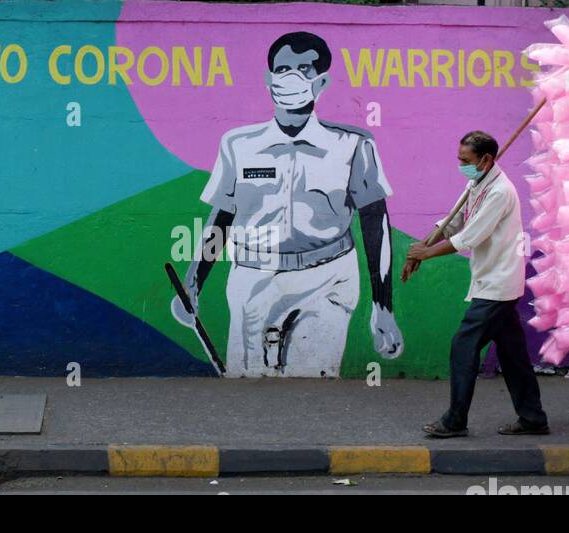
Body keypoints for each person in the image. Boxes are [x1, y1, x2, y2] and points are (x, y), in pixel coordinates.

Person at [171, 31, 402, 377]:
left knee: (312, 384)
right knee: (247, 383)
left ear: (321, 82)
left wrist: (383, 306)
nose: (292, 77)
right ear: (268, 78)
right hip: (253, 278)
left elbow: (376, 225)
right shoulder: (238, 145)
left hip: (327, 280)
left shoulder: (353, 146)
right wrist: (193, 283)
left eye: (305, 69)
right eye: (283, 69)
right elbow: (222, 217)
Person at [406, 131, 548, 437]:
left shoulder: (500, 192)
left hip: (497, 285)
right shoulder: (477, 183)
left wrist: (427, 254)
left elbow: (469, 237)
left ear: (485, 160)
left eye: (465, 160)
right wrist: (420, 248)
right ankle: (533, 417)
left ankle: (455, 420)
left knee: (463, 347)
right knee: (513, 356)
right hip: (492, 282)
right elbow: (452, 224)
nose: (460, 165)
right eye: (459, 159)